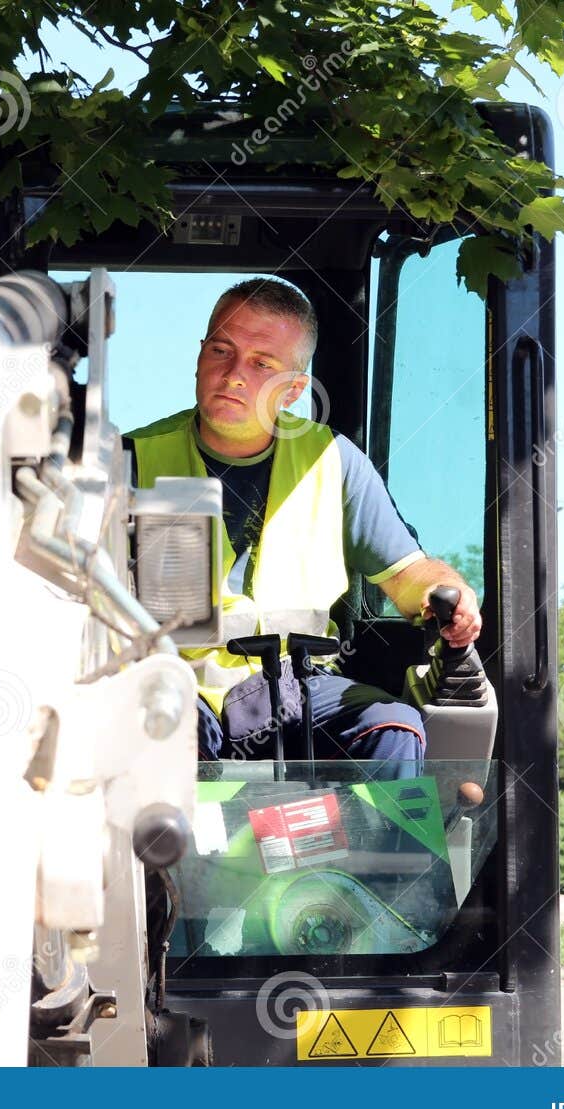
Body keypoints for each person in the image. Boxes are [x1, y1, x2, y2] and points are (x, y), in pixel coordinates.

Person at [125, 278, 481, 764]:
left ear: (292, 390)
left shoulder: (333, 461)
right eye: (221, 351)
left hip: (303, 685)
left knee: (394, 728)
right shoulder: (129, 461)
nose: (233, 374)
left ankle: (376, 822)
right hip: (176, 683)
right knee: (154, 736)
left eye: (261, 364)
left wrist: (448, 591)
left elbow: (408, 574)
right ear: (199, 356)